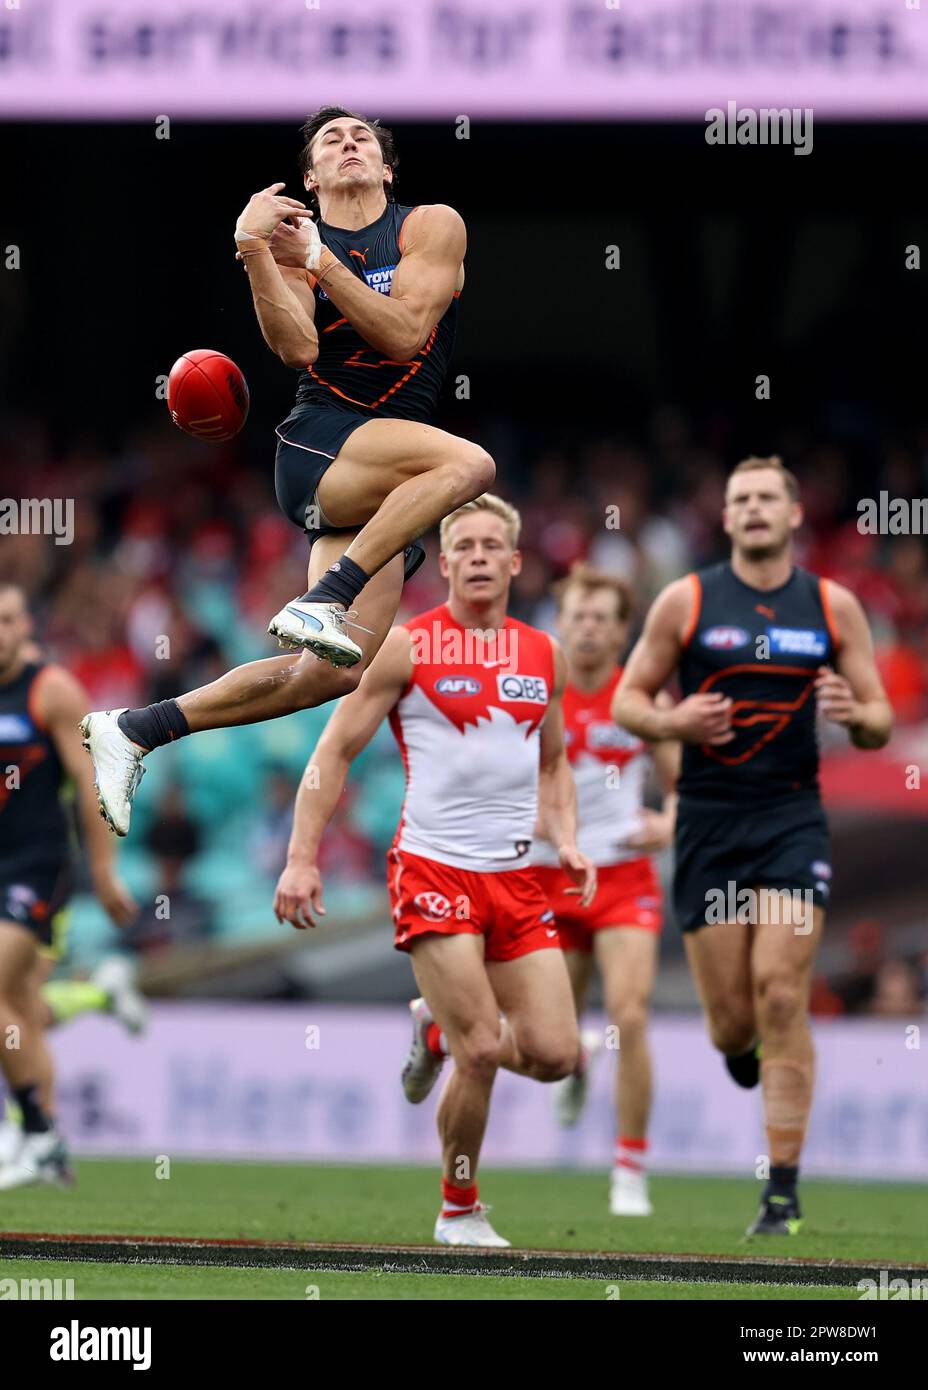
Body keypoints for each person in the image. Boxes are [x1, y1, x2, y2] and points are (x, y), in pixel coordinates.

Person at [81, 105, 493, 837]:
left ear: (387, 165)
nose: (349, 143)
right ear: (309, 177)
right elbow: (300, 350)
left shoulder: (430, 224)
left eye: (363, 136)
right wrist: (253, 250)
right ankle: (327, 596)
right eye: (331, 141)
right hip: (323, 446)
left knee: (329, 676)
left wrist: (320, 261)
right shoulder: (291, 244)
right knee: (472, 463)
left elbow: (402, 335)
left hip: (387, 474)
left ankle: (137, 727)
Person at [273, 495, 595, 1247]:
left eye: (494, 545)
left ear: (516, 562)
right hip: (433, 870)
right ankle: (460, 1209)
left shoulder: (542, 654)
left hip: (516, 880)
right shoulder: (405, 647)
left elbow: (553, 765)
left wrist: (569, 837)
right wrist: (300, 857)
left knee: (556, 1056)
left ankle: (436, 1033)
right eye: (466, 547)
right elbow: (333, 753)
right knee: (486, 1045)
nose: (480, 557)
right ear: (444, 564)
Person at [613, 455, 893, 1235]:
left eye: (770, 496)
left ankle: (783, 1191)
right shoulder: (687, 600)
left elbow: (875, 721)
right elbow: (631, 701)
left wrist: (854, 711)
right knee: (732, 1025)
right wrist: (676, 723)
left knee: (780, 992)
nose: (756, 508)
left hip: (791, 819)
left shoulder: (832, 607)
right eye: (742, 498)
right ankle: (743, 1051)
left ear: (796, 514)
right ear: (727, 517)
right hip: (707, 821)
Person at [531, 566, 679, 1216]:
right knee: (552, 1035)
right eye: (578, 616)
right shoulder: (533, 692)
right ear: (561, 624)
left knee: (631, 1015)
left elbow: (684, 788)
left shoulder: (643, 701)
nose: (589, 628)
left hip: (621, 878)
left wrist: (671, 823)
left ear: (622, 630)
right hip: (546, 876)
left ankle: (629, 1169)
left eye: (602, 618)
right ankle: (578, 1064)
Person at [0, 586, 139, 1188]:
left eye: (7, 619)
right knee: (23, 1008)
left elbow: (90, 785)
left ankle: (38, 1132)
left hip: (36, 865)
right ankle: (43, 1137)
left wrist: (104, 869)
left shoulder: (49, 690)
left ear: (25, 626)